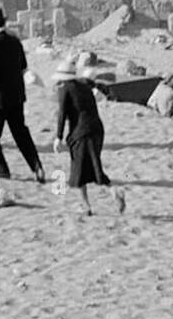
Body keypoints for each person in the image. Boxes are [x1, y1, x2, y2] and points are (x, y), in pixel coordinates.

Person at [0, 7, 45, 183]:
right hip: (16, 96)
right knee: (20, 133)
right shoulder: (15, 42)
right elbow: (23, 65)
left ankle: (1, 170)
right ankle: (36, 165)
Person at [52, 57, 125, 216]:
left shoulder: (65, 88)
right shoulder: (84, 86)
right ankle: (113, 191)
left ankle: (86, 206)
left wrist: (58, 137)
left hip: (81, 132)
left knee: (79, 170)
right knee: (93, 166)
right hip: (96, 129)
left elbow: (62, 114)